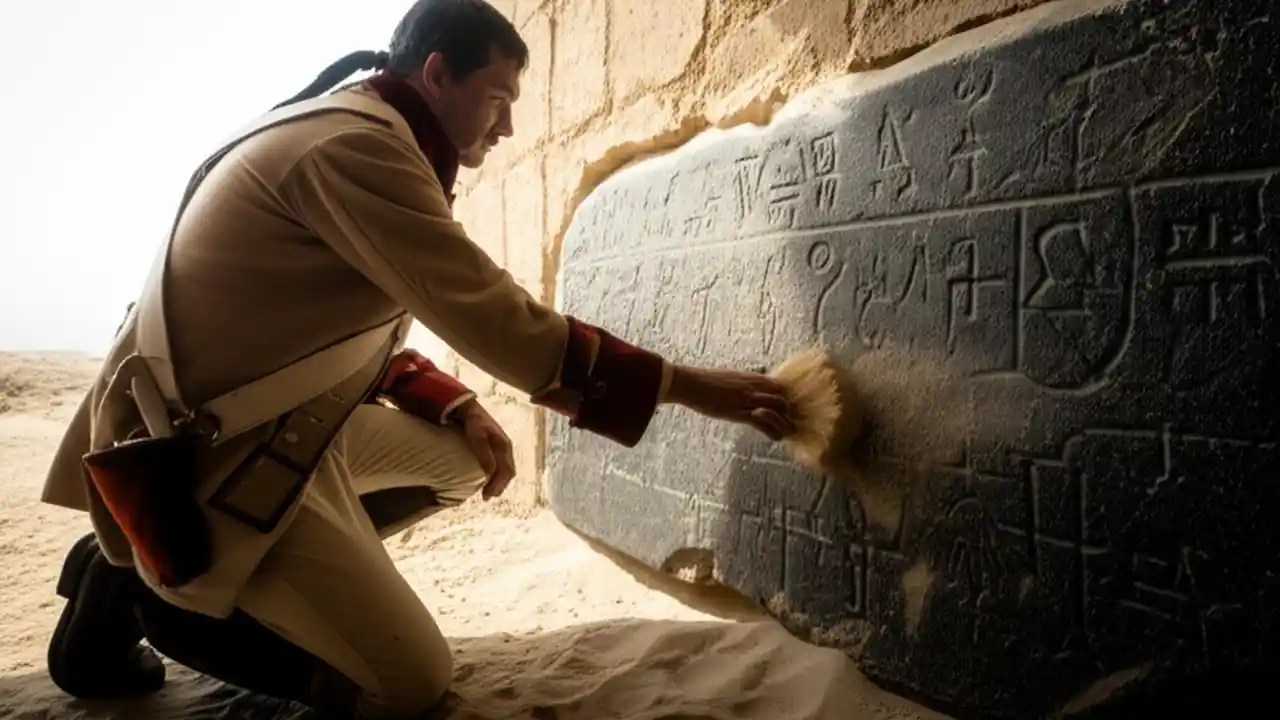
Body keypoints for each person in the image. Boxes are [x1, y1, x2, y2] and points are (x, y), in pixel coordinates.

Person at [39, 0, 796, 717]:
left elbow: (339, 340)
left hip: (282, 430)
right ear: (437, 74)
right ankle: (140, 585)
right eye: (497, 99)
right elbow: (497, 319)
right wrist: (692, 387)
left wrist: (459, 407)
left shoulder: (368, 129)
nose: (506, 128)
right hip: (211, 460)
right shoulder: (359, 147)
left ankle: (261, 569)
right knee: (408, 685)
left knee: (464, 461)